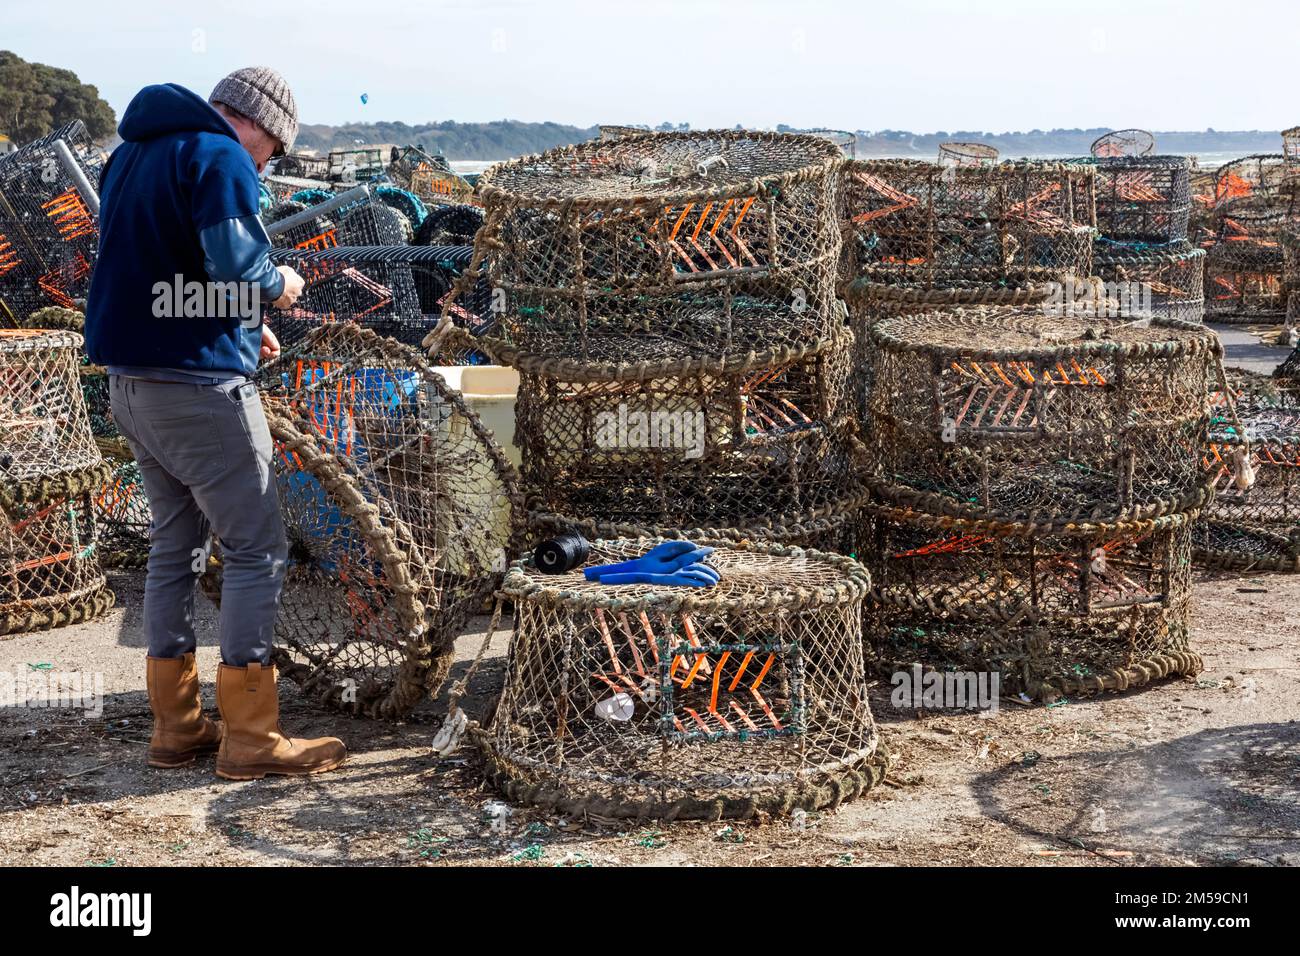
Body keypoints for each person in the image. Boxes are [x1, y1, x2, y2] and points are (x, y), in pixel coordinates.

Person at [85, 68, 346, 780]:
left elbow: (152, 269)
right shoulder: (221, 154)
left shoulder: (131, 152)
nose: (268, 167)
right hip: (201, 395)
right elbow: (236, 257)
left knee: (175, 549)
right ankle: (253, 737)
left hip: (131, 387)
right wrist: (278, 286)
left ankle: (176, 728)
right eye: (276, 153)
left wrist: (233, 320)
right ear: (260, 125)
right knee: (257, 547)